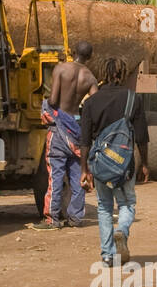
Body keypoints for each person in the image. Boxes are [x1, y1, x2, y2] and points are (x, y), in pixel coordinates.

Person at [80, 57, 149, 266]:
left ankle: (108, 255)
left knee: (104, 207)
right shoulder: (132, 99)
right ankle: (122, 230)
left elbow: (84, 140)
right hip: (124, 164)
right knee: (127, 203)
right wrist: (144, 164)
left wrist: (84, 169)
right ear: (123, 74)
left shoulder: (91, 102)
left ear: (103, 74)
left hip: (100, 164)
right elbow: (141, 137)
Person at [36, 40, 97, 229]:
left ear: (72, 52)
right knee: (77, 176)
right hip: (77, 131)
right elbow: (93, 106)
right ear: (90, 57)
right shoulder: (90, 78)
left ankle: (52, 219)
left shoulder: (61, 69)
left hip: (59, 131)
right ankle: (76, 218)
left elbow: (53, 100)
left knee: (55, 175)